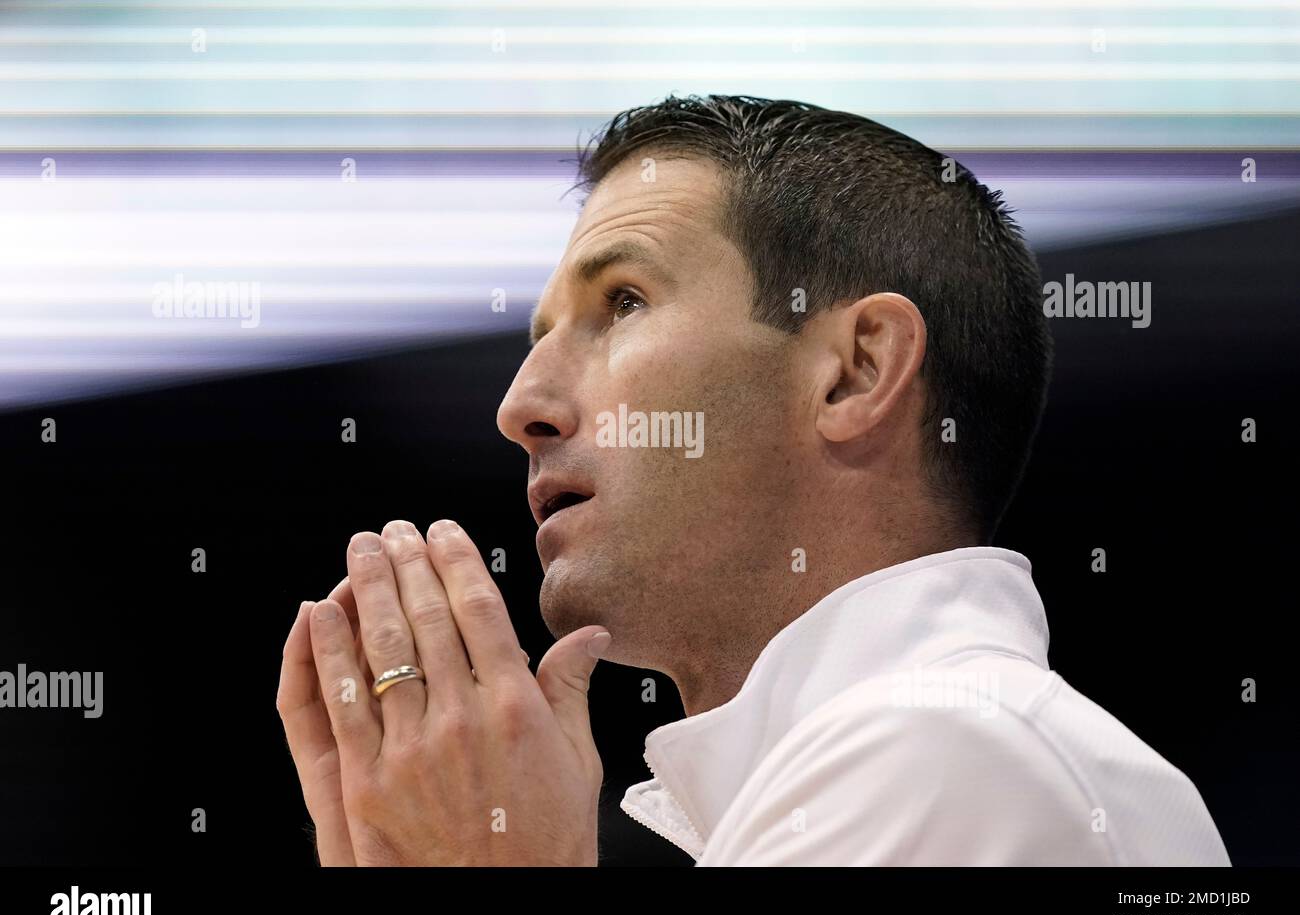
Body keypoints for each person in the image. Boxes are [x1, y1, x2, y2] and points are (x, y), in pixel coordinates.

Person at [276, 94, 1230, 866]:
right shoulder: (891, 759)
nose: (521, 404)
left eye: (624, 303)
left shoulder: (937, 750)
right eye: (540, 339)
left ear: (855, 370)